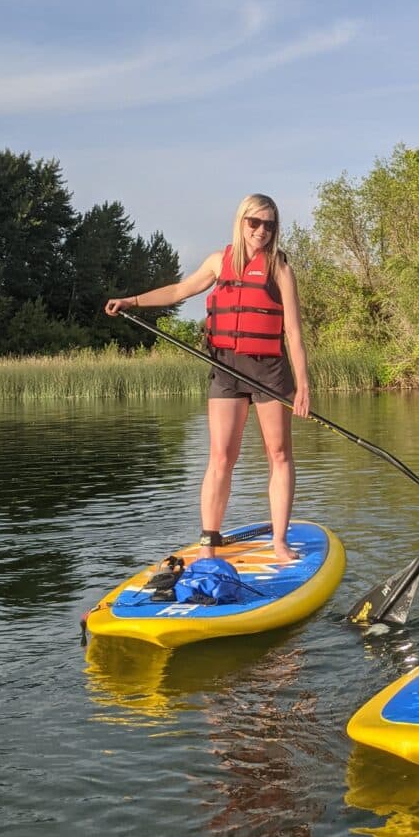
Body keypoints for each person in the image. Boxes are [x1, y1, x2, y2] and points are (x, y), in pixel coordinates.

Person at [106, 194, 310, 562]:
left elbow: (293, 332)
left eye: (269, 225)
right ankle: (209, 543)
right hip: (227, 369)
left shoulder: (278, 267)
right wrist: (131, 301)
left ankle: (279, 541)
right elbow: (179, 291)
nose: (261, 231)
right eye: (255, 222)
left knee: (278, 454)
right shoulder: (219, 261)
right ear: (241, 220)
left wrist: (304, 386)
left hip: (269, 369)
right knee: (220, 456)